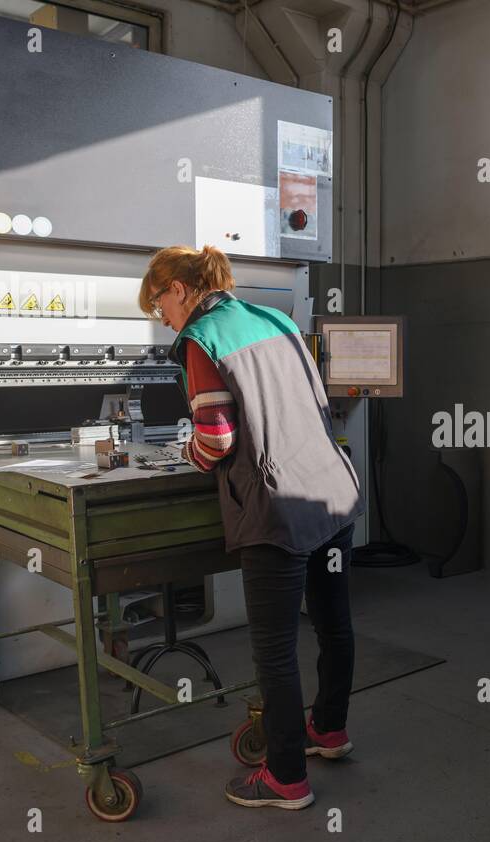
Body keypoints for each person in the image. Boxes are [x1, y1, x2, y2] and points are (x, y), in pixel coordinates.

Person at [139, 244, 364, 811]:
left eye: (159, 302)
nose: (162, 316)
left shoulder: (201, 340)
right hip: (330, 493)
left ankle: (286, 777)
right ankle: (328, 732)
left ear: (180, 289)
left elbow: (216, 439)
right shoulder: (276, 319)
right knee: (334, 625)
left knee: (275, 650)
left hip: (277, 511)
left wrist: (184, 453)